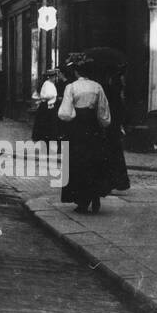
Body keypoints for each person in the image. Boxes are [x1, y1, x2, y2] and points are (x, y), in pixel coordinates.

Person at [57, 60, 113, 213]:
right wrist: (103, 123)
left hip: (77, 128)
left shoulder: (72, 87)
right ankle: (95, 197)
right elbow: (103, 111)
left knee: (78, 162)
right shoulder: (97, 87)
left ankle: (82, 201)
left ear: (76, 73)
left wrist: (73, 116)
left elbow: (65, 113)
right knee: (94, 162)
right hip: (93, 127)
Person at [32, 68, 61, 148]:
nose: (55, 78)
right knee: (47, 126)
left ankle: (49, 145)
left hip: (50, 107)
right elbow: (45, 95)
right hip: (47, 108)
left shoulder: (51, 84)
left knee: (50, 127)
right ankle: (47, 145)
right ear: (50, 77)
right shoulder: (47, 84)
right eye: (54, 77)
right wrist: (54, 96)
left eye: (55, 77)